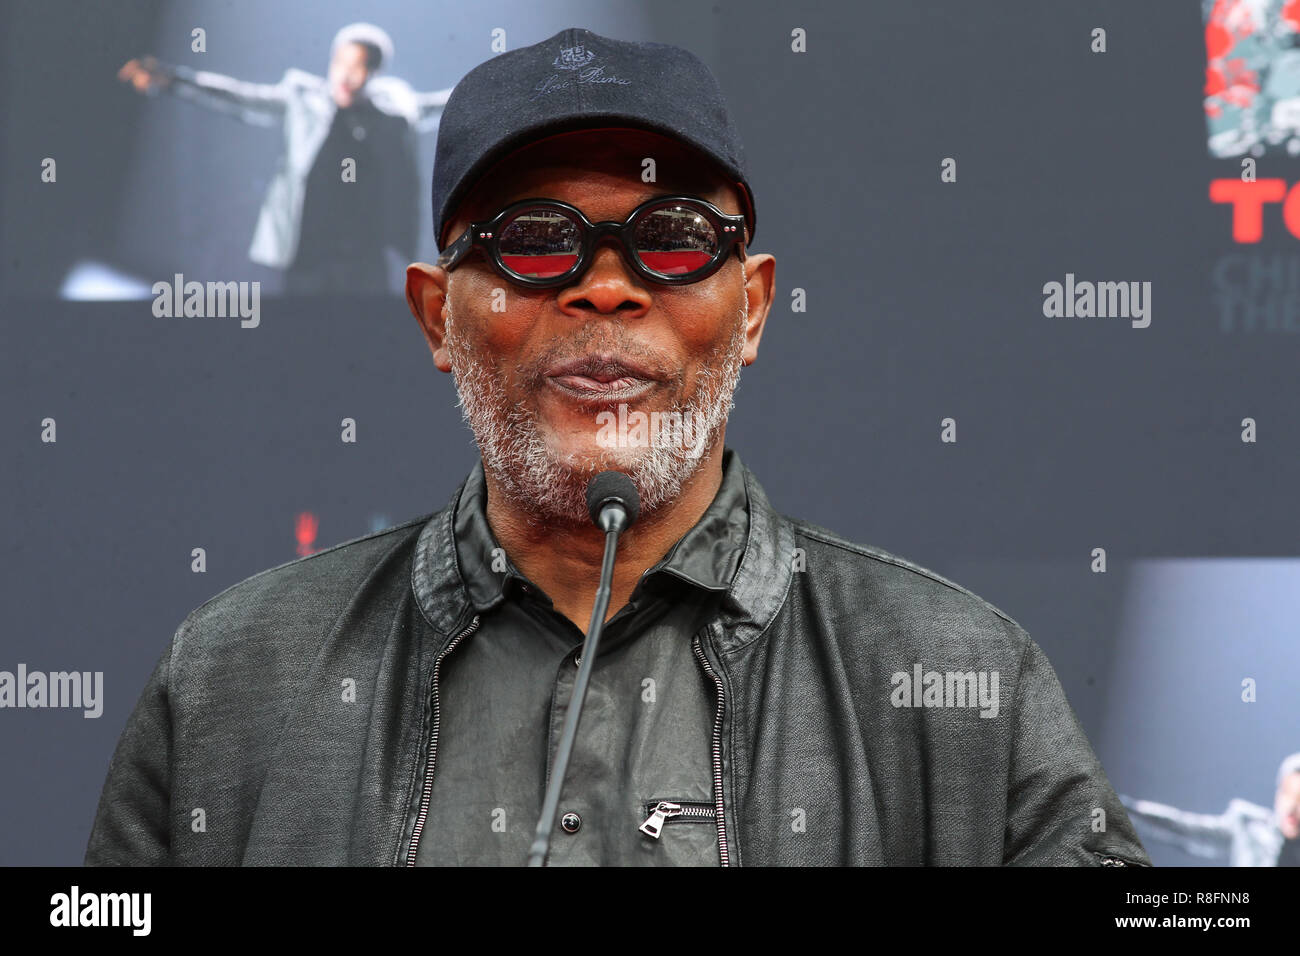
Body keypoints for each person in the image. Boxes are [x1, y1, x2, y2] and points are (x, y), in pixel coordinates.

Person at [84, 27, 1150, 866]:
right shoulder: (229, 679)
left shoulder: (965, 679)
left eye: (676, 237)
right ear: (434, 317)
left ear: (752, 309)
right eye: (536, 241)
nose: (605, 283)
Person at [118, 23, 452, 293]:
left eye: (359, 66)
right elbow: (239, 97)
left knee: (360, 332)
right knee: (300, 333)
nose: (347, 76)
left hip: (362, 254)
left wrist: (497, 91)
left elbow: (445, 104)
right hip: (307, 250)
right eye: (342, 63)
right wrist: (173, 79)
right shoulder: (303, 98)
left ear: (375, 72)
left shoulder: (394, 112)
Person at [1120, 752, 1300, 866]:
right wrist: (1130, 812)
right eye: (1288, 794)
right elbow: (1185, 829)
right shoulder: (1248, 827)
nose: (1292, 807)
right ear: (1278, 795)